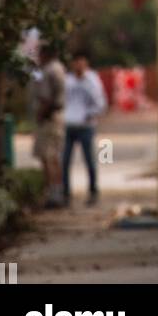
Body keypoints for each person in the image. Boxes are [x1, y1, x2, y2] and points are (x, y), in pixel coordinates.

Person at [62, 50, 107, 206]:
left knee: (89, 160)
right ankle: (65, 192)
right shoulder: (68, 81)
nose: (78, 65)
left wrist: (91, 114)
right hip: (68, 125)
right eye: (76, 62)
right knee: (65, 161)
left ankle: (93, 191)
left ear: (86, 63)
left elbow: (100, 103)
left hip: (86, 125)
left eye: (81, 61)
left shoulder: (92, 81)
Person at [32, 42, 66, 209]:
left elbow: (46, 99)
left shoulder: (48, 71)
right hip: (57, 118)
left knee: (48, 158)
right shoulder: (59, 68)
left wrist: (39, 115)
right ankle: (57, 193)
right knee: (54, 157)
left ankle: (53, 195)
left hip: (48, 119)